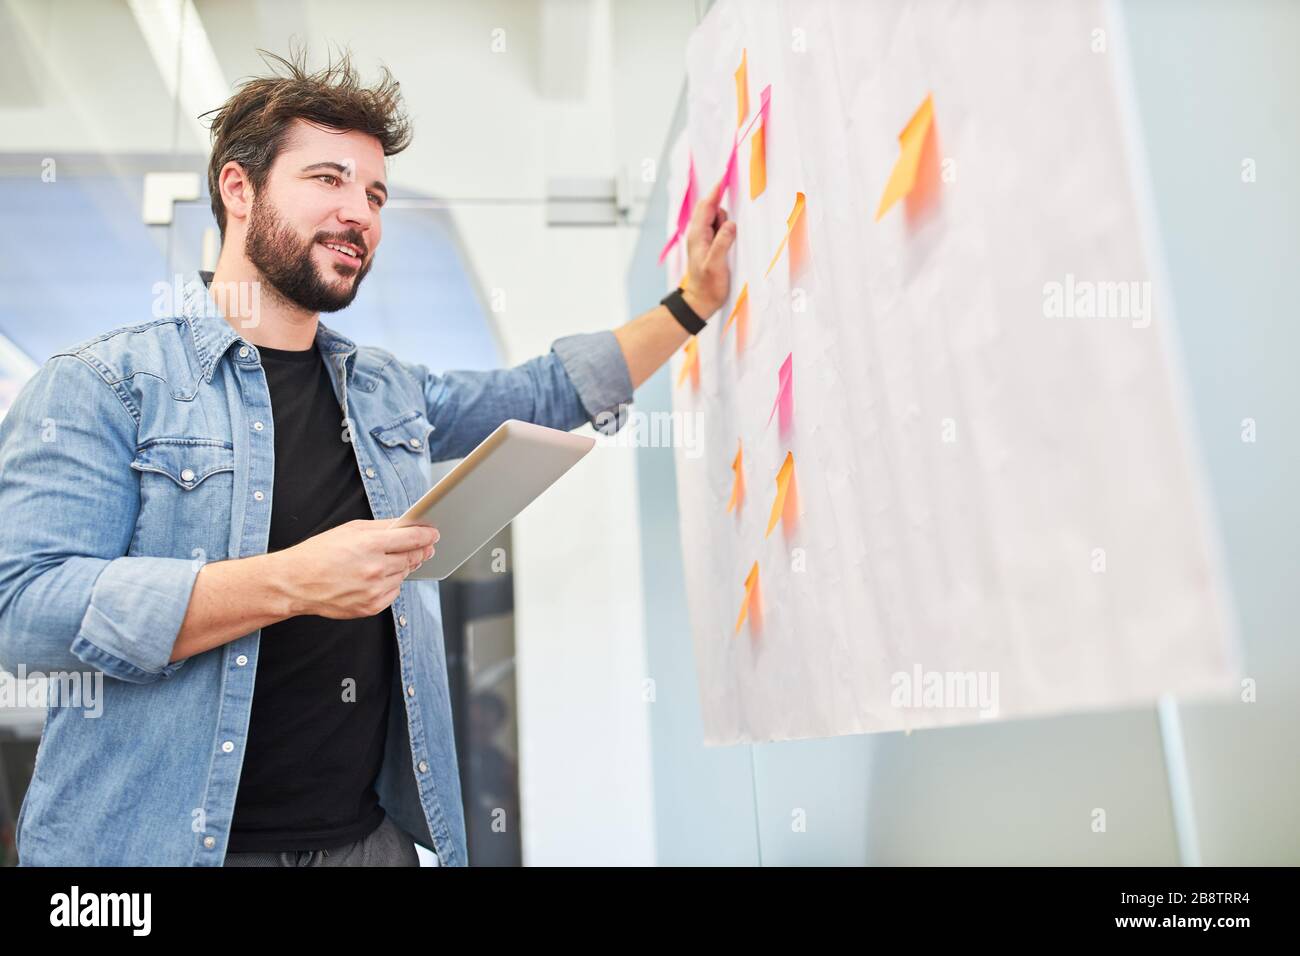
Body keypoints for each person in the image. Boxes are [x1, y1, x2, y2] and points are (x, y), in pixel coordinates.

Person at [0, 49, 735, 867]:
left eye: (376, 194)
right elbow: (23, 612)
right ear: (238, 191)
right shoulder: (104, 385)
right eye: (328, 180)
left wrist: (693, 303)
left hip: (365, 848)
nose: (361, 213)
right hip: (155, 853)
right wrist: (290, 582)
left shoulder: (386, 392)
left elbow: (546, 393)